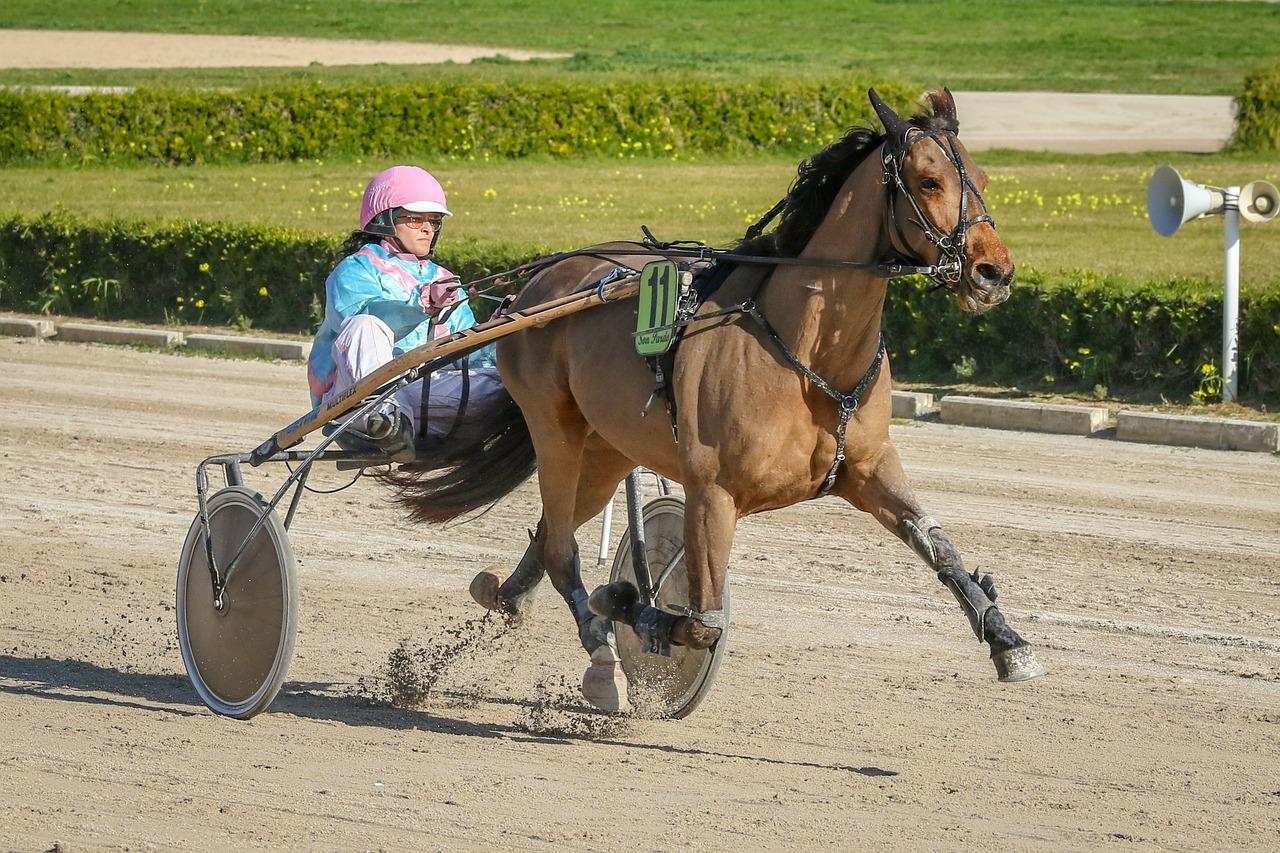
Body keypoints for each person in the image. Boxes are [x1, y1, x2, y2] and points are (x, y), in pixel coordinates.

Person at [307, 165, 503, 461]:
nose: (427, 228)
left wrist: (499, 330)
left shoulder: (445, 279)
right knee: (364, 325)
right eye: (414, 219)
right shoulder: (355, 269)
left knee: (508, 383)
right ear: (384, 219)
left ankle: (395, 422)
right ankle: (382, 417)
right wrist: (421, 304)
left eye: (434, 221)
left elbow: (467, 352)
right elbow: (363, 316)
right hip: (352, 400)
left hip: (419, 397)